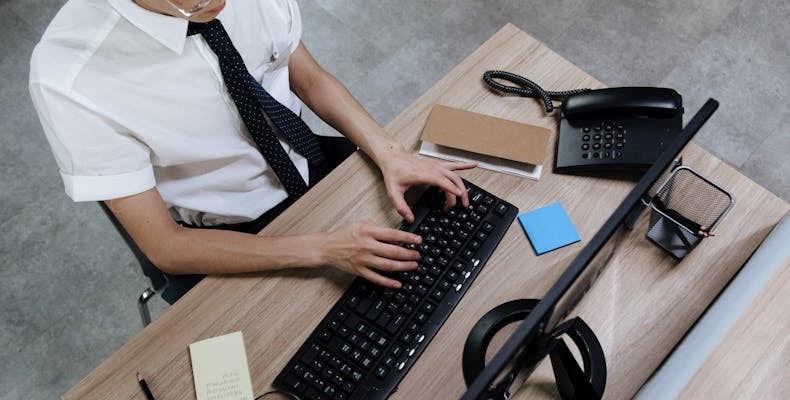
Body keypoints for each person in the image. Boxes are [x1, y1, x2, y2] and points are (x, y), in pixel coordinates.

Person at [29, 0, 476, 295]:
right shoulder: (71, 77)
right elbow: (166, 247)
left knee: (457, 247)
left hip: (311, 164)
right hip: (226, 235)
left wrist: (389, 151)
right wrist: (324, 249)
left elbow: (307, 75)